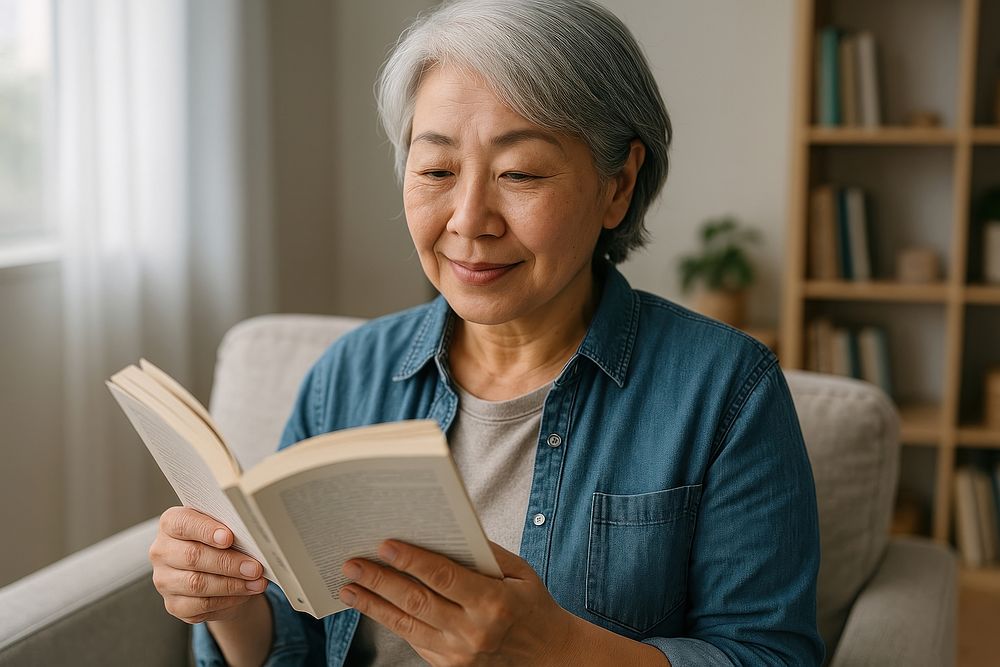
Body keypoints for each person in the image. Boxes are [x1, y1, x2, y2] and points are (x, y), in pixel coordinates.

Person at [147, 0, 825, 665]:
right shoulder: (348, 375)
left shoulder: (726, 390)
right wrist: (228, 603)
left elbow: (770, 653)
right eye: (437, 170)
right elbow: (298, 641)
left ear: (618, 186)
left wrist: (557, 648)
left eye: (519, 173)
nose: (469, 219)